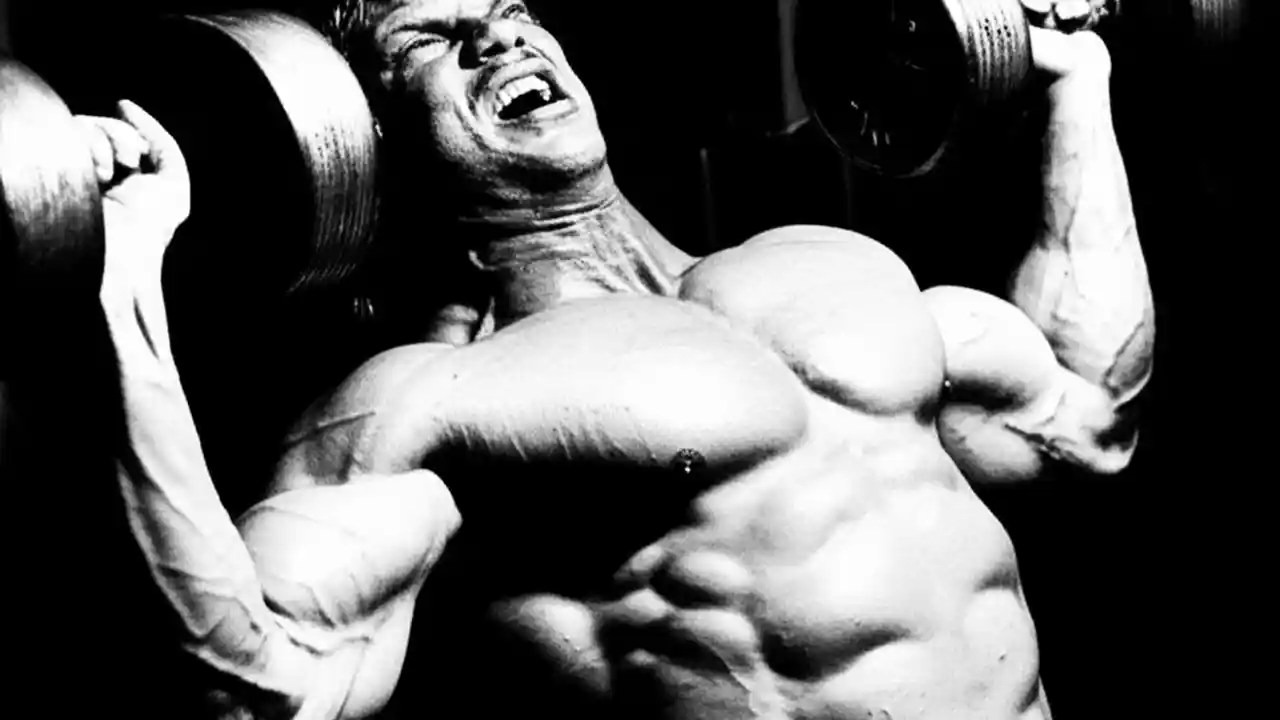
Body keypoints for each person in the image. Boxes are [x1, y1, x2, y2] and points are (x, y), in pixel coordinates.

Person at [85, 0, 1153, 717]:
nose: (496, 42)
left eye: (509, 13)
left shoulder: (826, 262)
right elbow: (260, 679)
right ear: (368, 131)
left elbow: (1085, 420)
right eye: (432, 41)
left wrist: (1073, 83)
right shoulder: (425, 402)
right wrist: (120, 285)